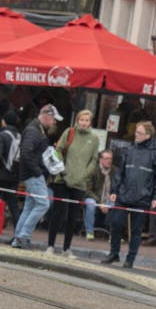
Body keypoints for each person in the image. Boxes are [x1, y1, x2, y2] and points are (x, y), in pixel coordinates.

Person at [102, 121, 156, 269]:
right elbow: (120, 173)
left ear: (148, 135)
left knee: (136, 230)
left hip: (143, 197)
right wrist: (114, 191)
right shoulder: (129, 150)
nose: (136, 135)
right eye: (136, 132)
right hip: (124, 194)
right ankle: (114, 253)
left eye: (139, 133)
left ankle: (130, 259)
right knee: (116, 223)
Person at [46, 110, 98, 257]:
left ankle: (66, 248)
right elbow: (58, 150)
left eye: (87, 120)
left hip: (80, 183)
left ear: (90, 122)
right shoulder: (69, 132)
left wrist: (84, 174)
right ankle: (50, 245)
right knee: (58, 213)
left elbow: (94, 160)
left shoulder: (94, 139)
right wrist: (62, 169)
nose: (84, 122)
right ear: (77, 120)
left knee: (73, 216)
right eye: (82, 119)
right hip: (63, 179)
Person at [11, 104, 62, 249]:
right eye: (53, 119)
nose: (54, 123)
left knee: (30, 206)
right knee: (42, 204)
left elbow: (28, 153)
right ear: (47, 116)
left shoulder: (34, 129)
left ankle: (18, 239)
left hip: (30, 174)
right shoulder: (34, 131)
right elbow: (26, 153)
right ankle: (23, 236)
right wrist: (38, 172)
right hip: (33, 175)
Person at [85, 149, 114, 240]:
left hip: (108, 198)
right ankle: (89, 232)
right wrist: (100, 202)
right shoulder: (93, 170)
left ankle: (114, 235)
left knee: (117, 205)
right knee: (90, 204)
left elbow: (119, 188)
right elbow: (87, 190)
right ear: (100, 160)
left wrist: (114, 195)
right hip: (94, 197)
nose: (109, 161)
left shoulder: (115, 171)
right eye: (106, 158)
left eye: (110, 159)